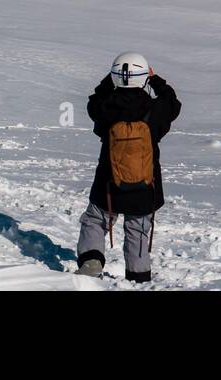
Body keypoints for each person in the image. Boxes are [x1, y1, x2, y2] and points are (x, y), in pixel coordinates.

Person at [75, 51, 181, 283]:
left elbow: (93, 101)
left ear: (115, 76)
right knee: (138, 229)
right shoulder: (157, 110)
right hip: (145, 184)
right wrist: (156, 80)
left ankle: (91, 260)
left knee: (95, 219)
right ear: (143, 77)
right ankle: (138, 278)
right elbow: (173, 103)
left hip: (109, 182)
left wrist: (110, 79)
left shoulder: (105, 108)